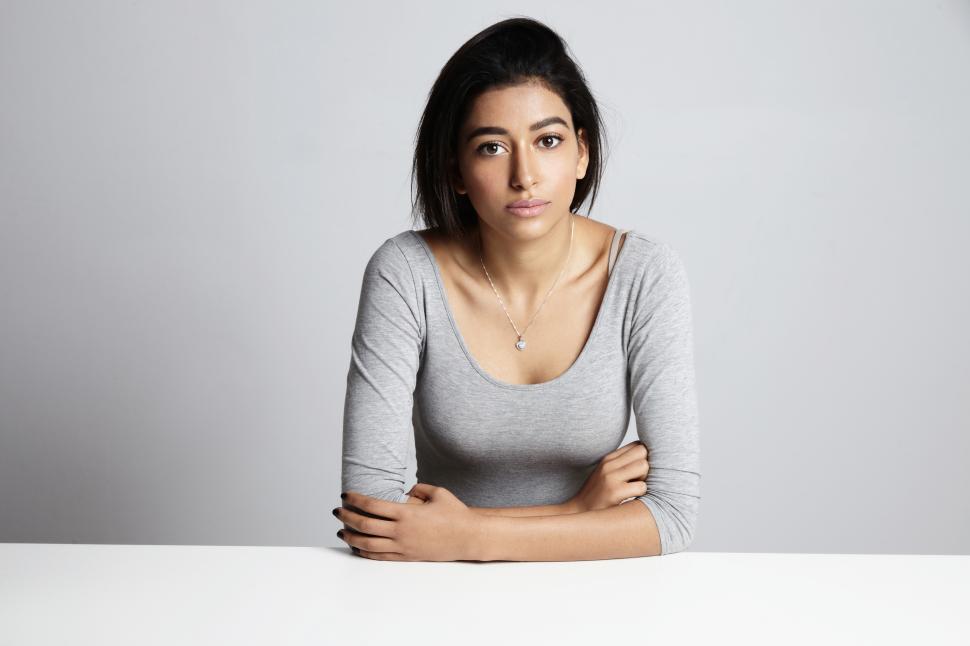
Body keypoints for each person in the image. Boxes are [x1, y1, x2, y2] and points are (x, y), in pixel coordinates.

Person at [335, 17, 700, 562]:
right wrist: (575, 511)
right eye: (491, 148)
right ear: (456, 170)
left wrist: (466, 535)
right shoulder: (404, 272)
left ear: (582, 153)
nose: (524, 175)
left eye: (548, 140)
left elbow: (672, 517)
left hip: (599, 599)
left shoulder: (644, 274)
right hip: (434, 597)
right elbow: (373, 515)